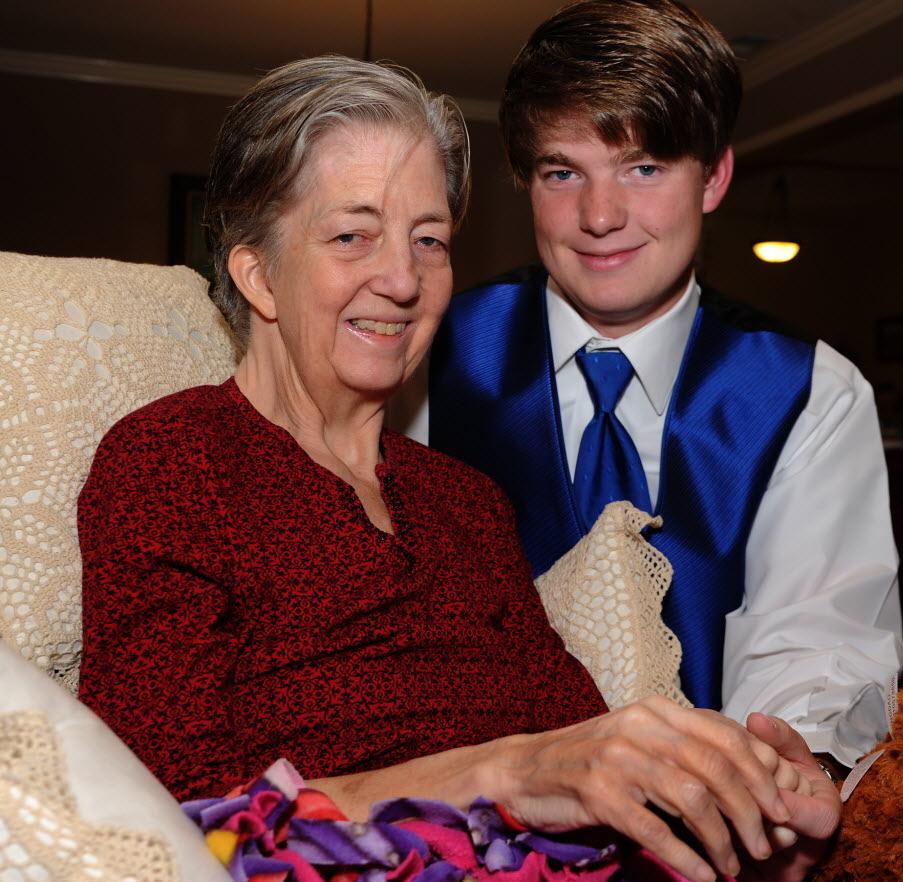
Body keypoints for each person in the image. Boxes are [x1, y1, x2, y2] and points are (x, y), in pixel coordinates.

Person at [77, 55, 828, 882]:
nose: (404, 279)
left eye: (428, 240)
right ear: (258, 273)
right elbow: (164, 806)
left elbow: (576, 748)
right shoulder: (174, 459)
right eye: (353, 236)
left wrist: (743, 798)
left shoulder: (463, 500)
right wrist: (495, 776)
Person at [391, 0, 903, 795]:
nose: (599, 216)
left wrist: (781, 773)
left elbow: (820, 646)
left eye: (644, 168)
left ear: (714, 177)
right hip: (469, 817)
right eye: (563, 173)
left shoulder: (809, 392)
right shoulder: (422, 357)